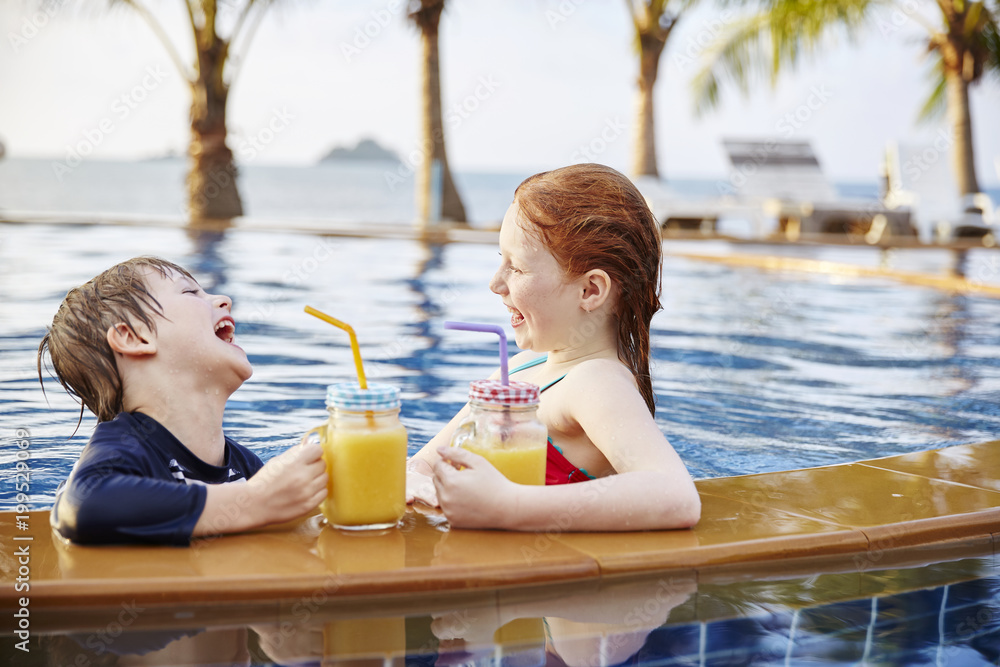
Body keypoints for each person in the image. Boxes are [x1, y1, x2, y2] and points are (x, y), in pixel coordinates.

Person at [406, 163, 701, 531]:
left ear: (590, 290)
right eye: (502, 261)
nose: (495, 283)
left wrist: (508, 505)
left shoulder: (596, 382)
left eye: (518, 268)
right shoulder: (521, 366)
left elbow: (675, 496)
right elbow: (423, 462)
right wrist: (415, 482)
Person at [38, 257, 328, 545]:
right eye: (190, 292)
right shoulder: (126, 447)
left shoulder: (243, 465)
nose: (223, 299)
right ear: (133, 337)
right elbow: (84, 506)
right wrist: (255, 499)